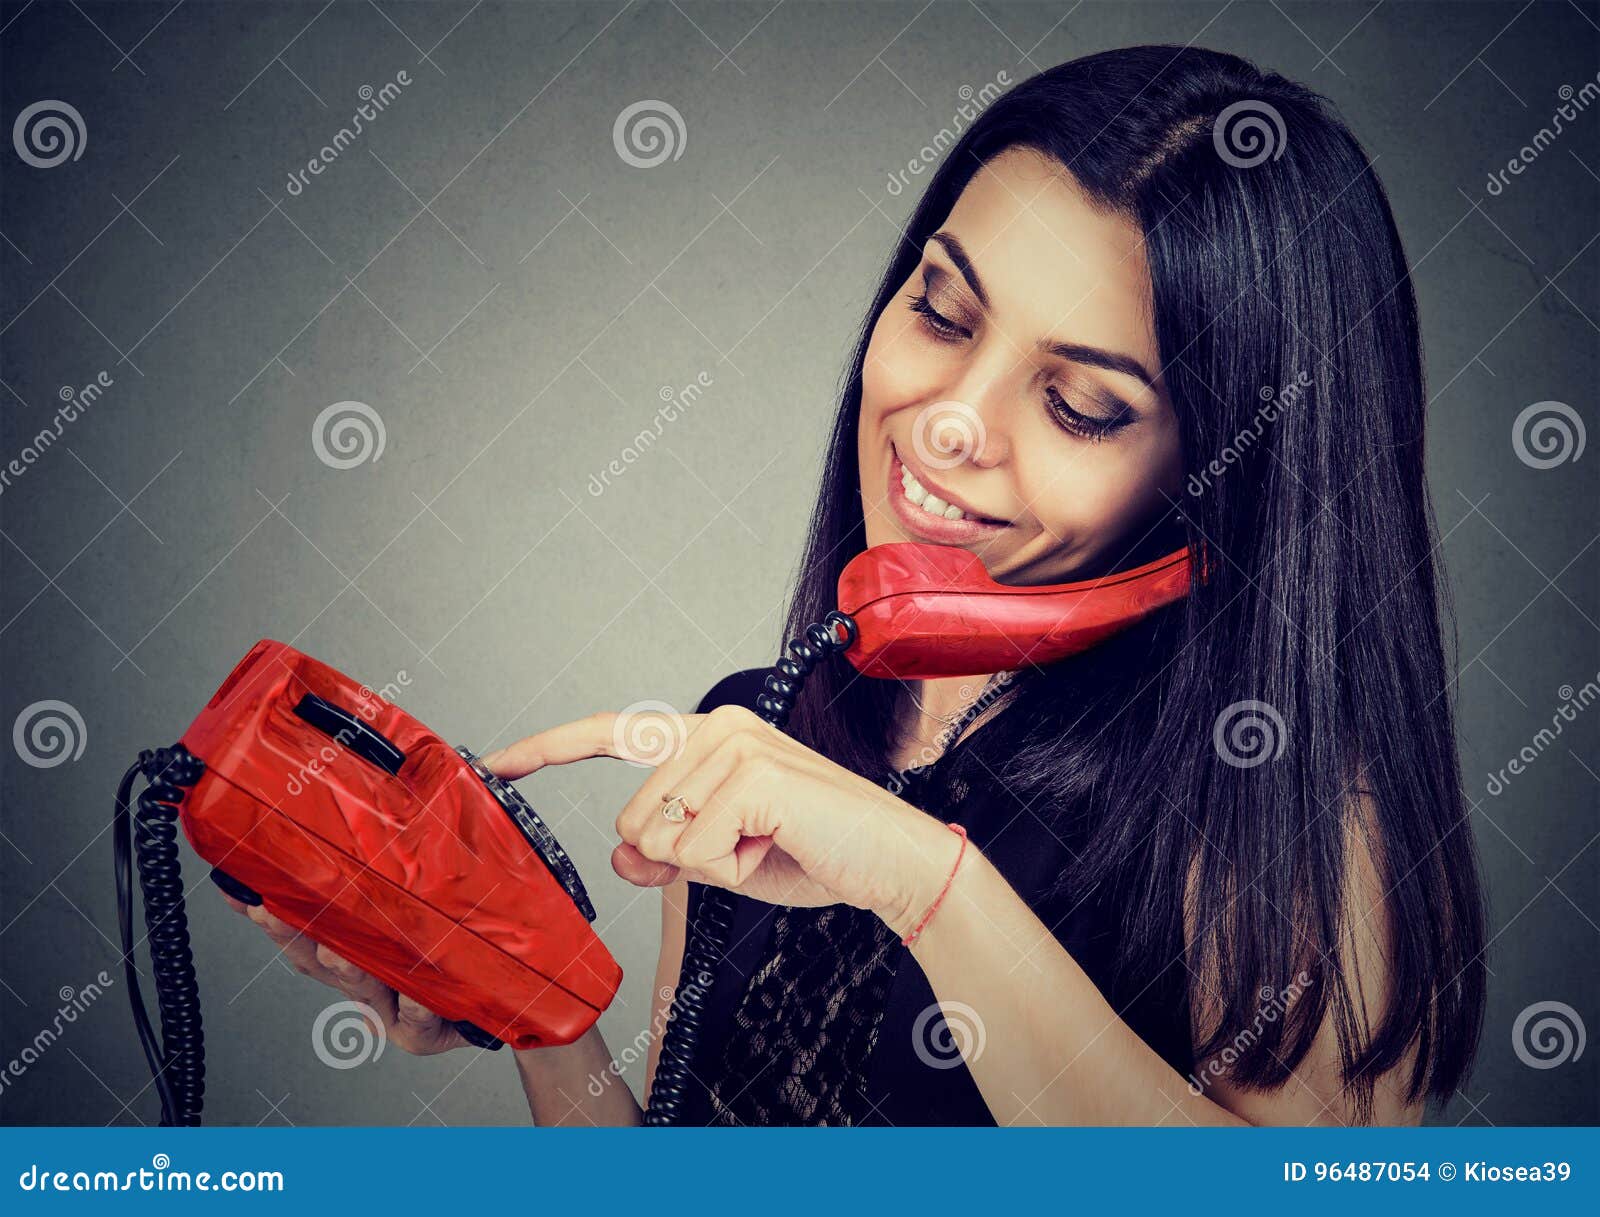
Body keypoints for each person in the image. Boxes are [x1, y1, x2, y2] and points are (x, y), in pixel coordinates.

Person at [228, 44, 1486, 1126]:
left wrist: (921, 880)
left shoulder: (1289, 807)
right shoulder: (762, 731)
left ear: (1221, 479)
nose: (947, 421)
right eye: (942, 313)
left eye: (1079, 403)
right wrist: (535, 999)